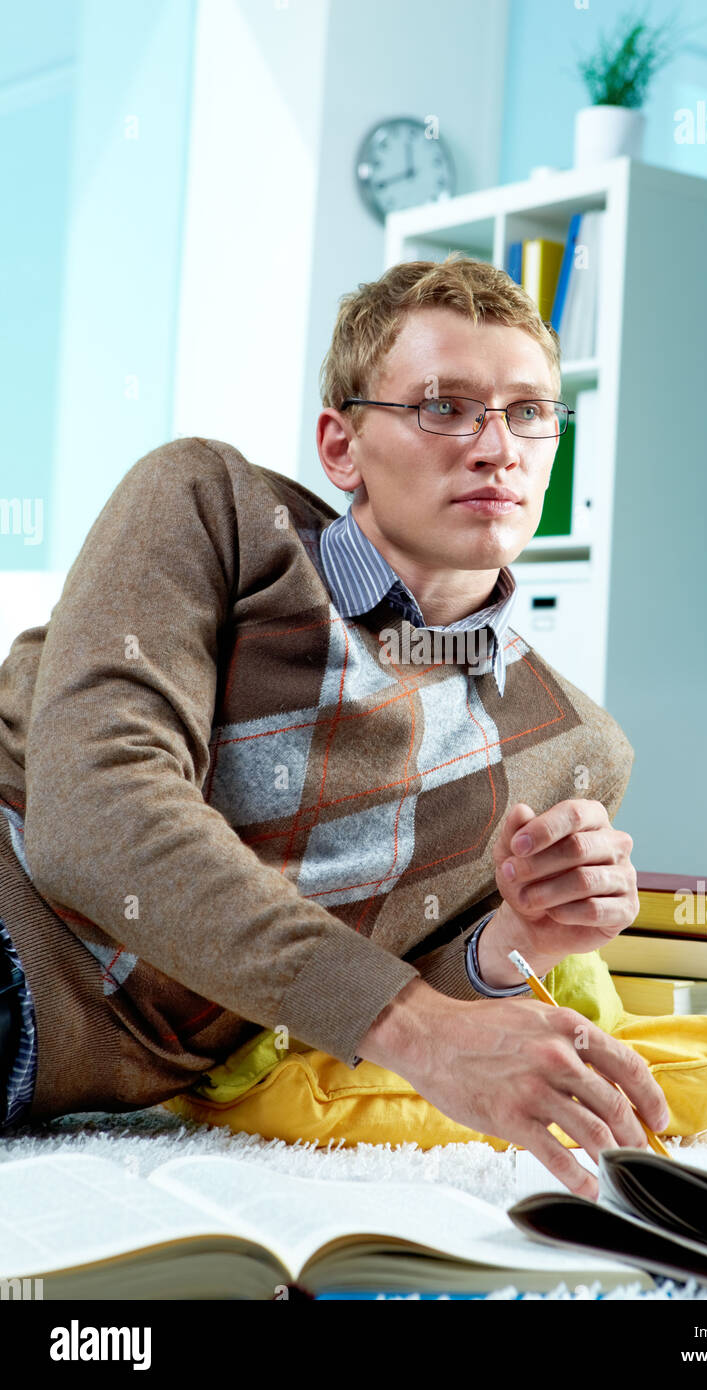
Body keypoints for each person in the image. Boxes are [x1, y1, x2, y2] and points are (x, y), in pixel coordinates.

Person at [0, 253, 667, 1201]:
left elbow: (407, 988)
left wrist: (526, 934)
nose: (497, 446)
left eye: (528, 412)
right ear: (341, 445)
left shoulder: (576, 751)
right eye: (444, 406)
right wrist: (419, 1027)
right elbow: (93, 818)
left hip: (46, 1066)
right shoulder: (209, 508)